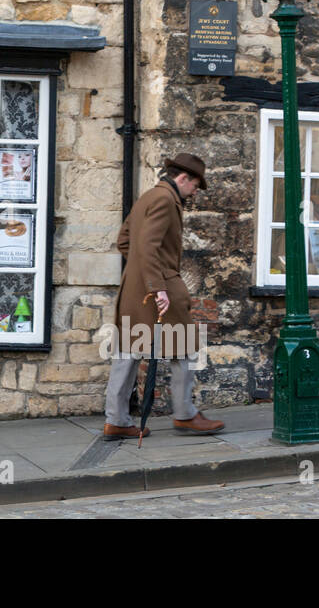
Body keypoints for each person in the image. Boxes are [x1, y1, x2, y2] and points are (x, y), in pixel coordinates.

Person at [103, 153, 224, 440]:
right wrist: (157, 285)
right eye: (195, 186)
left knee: (128, 352)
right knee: (184, 348)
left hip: (134, 288)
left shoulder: (149, 196)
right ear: (183, 178)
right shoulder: (165, 200)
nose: (194, 193)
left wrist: (139, 272)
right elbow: (147, 247)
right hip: (161, 288)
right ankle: (184, 415)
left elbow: (125, 240)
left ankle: (116, 420)